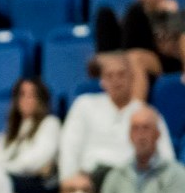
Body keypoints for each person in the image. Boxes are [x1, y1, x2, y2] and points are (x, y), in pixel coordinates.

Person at [59, 52, 174, 181]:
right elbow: (70, 147)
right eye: (109, 76)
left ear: (132, 78)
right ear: (102, 81)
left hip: (132, 180)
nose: (116, 81)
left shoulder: (146, 113)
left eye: (121, 75)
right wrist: (68, 181)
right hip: (91, 179)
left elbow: (166, 156)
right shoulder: (84, 104)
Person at [0, 78, 63, 193]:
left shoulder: (50, 123)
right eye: (22, 95)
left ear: (41, 99)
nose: (26, 100)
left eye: (32, 95)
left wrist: (1, 170)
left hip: (38, 183)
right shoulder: (9, 131)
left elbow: (35, 162)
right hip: (9, 178)